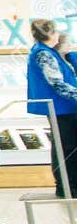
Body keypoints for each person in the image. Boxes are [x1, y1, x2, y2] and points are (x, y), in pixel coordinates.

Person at [27, 19, 77, 198]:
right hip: (59, 107)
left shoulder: (48, 52)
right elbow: (57, 84)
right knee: (65, 146)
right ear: (49, 34)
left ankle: (70, 184)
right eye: (55, 32)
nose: (58, 35)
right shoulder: (44, 54)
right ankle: (66, 186)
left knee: (68, 145)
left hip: (65, 107)